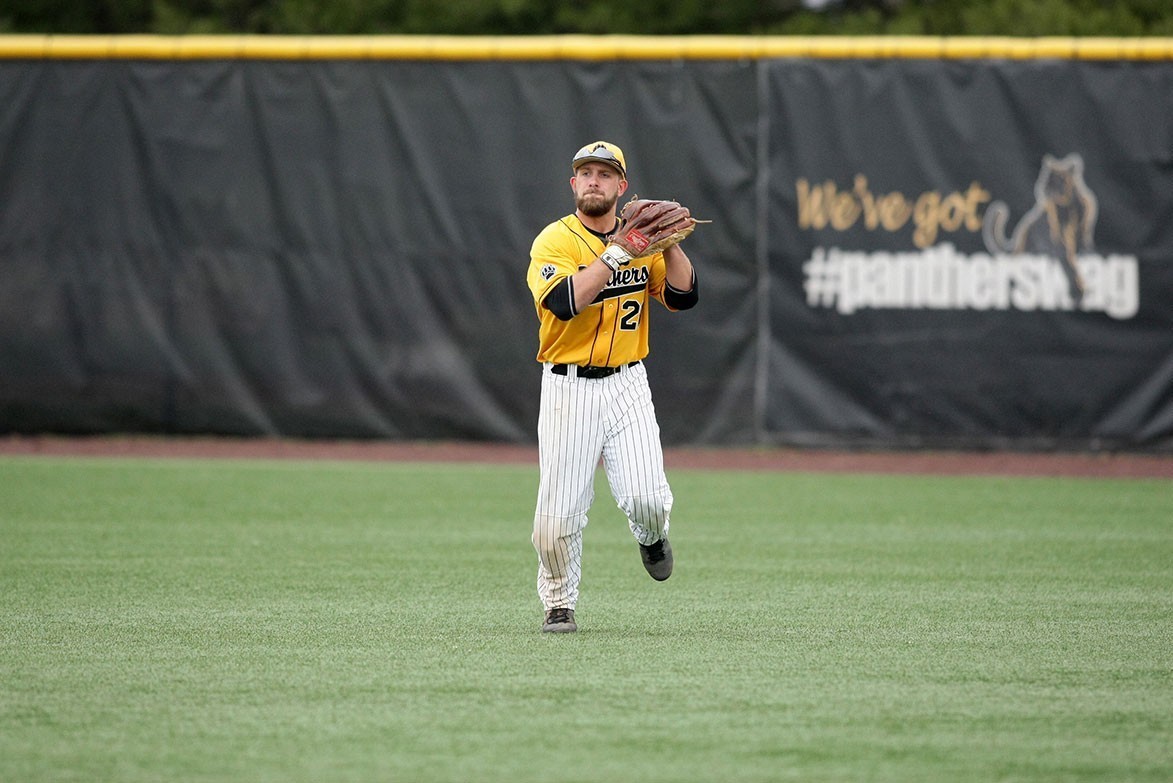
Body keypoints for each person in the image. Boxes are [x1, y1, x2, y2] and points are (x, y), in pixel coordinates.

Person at [525, 140, 699, 633]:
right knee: (557, 518)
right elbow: (564, 303)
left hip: (627, 383)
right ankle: (559, 602)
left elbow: (684, 296)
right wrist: (619, 252)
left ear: (622, 187)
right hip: (568, 387)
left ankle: (652, 536)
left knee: (648, 499)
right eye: (586, 173)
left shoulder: (642, 239)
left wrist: (668, 241)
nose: (594, 181)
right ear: (573, 183)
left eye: (605, 174)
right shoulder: (554, 241)